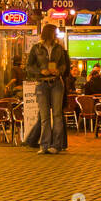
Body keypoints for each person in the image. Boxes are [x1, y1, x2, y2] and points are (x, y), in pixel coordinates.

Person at [24, 23, 70, 154]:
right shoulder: (36, 48)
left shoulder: (59, 48)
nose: (56, 34)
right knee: (44, 116)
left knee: (57, 115)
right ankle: (44, 145)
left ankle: (56, 145)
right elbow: (29, 67)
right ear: (49, 33)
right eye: (55, 32)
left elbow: (63, 65)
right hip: (42, 83)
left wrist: (59, 71)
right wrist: (40, 71)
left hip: (56, 83)